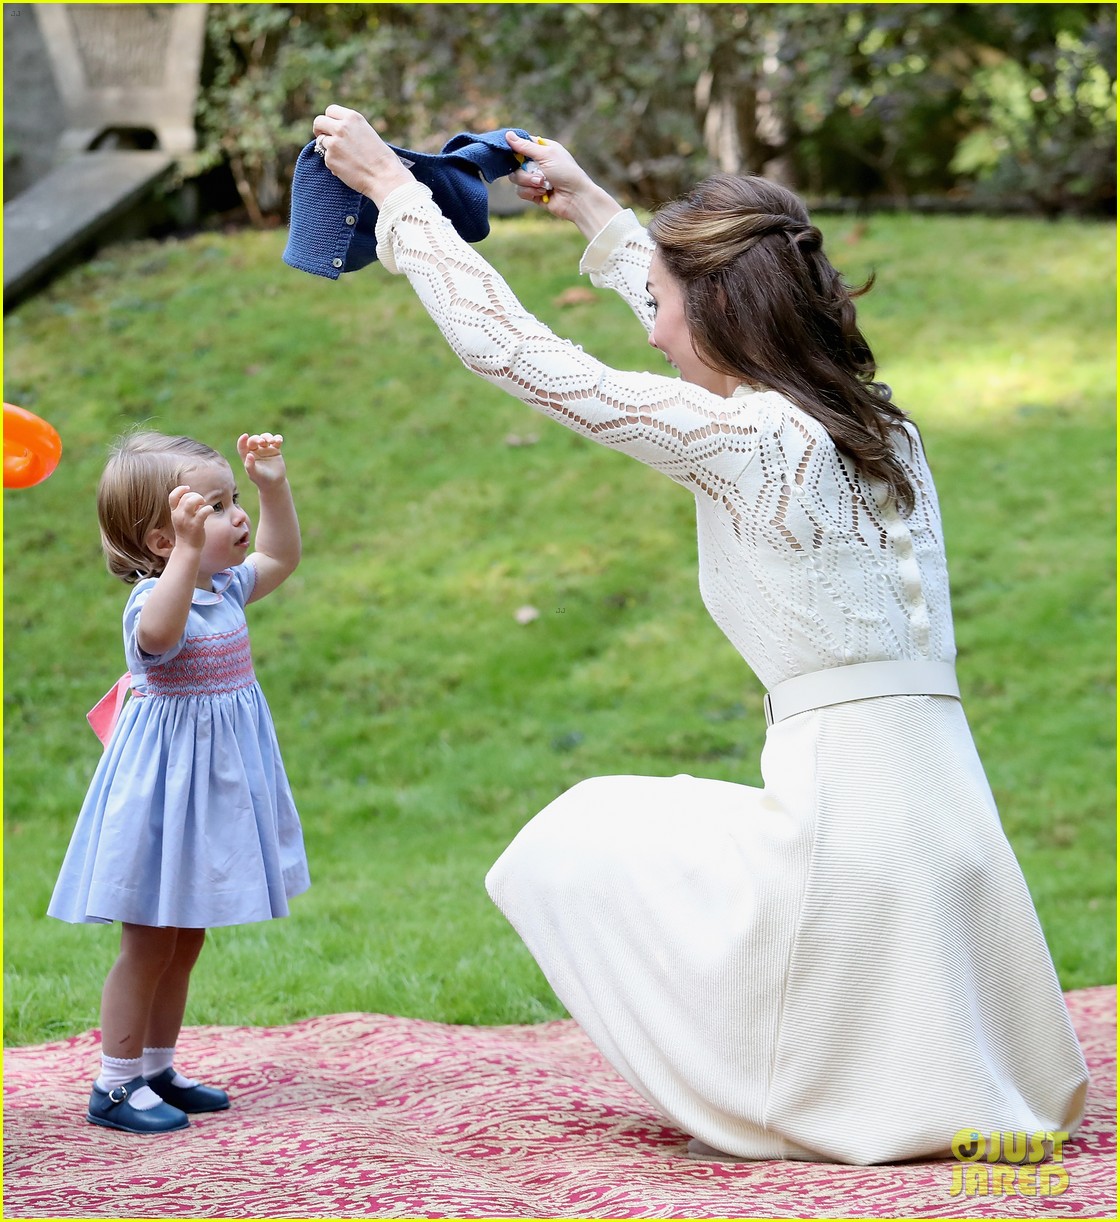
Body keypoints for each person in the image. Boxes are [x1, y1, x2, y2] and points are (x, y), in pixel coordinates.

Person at [308, 104, 1088, 1164]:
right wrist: (589, 206)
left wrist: (398, 200)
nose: (652, 326)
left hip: (846, 823)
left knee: (574, 837)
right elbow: (706, 312)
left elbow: (519, 356)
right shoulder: (876, 428)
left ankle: (775, 1082)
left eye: (664, 304)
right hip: (943, 814)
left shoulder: (750, 439)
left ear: (719, 315)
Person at [48, 429, 309, 1134]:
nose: (238, 517)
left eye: (233, 501)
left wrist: (272, 483)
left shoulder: (224, 588)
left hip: (208, 798)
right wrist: (191, 558)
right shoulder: (153, 602)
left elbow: (282, 555)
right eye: (217, 507)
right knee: (147, 943)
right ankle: (113, 1083)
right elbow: (158, 641)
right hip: (160, 801)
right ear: (165, 541)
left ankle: (155, 1067)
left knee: (185, 939)